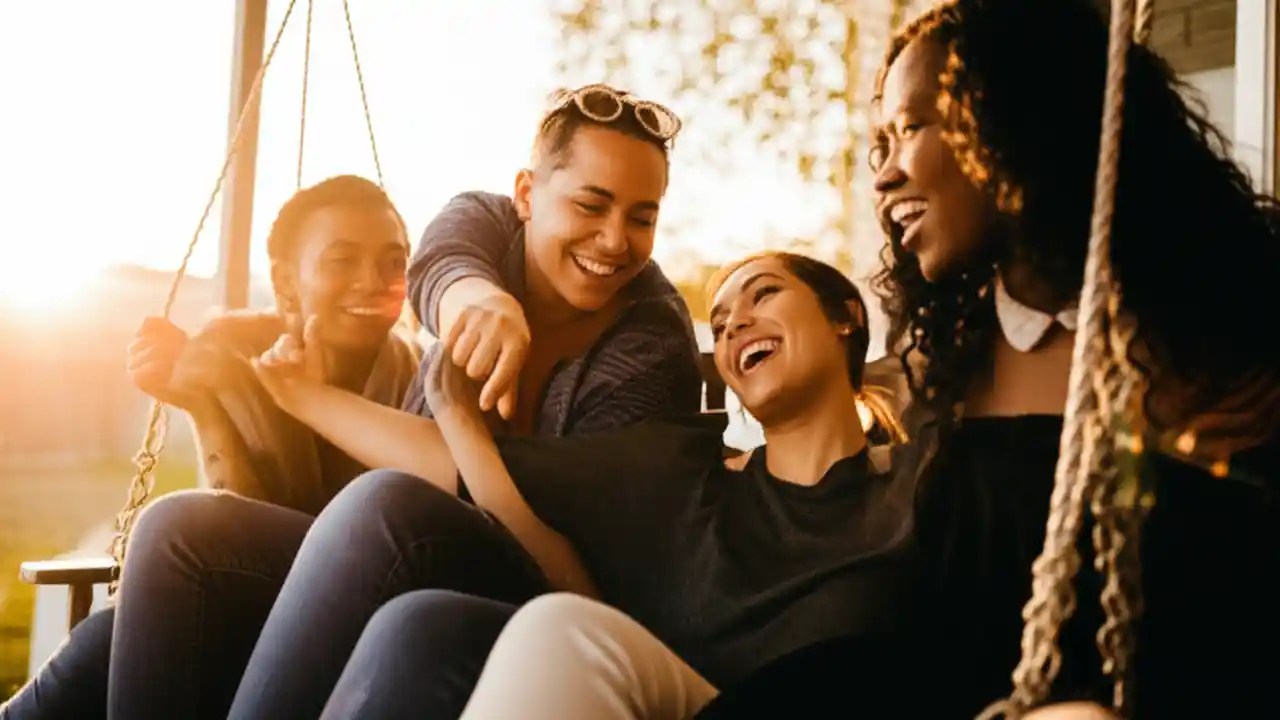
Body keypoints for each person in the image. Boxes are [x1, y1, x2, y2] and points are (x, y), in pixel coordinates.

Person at [698, 1, 1280, 718]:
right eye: (882, 143)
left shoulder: (1231, 328)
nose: (884, 176)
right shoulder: (949, 363)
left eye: (912, 128)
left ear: (1013, 118)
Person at [52, 83, 700, 720]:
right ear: (527, 195)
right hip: (402, 549)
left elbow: (544, 524)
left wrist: (433, 413)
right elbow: (441, 262)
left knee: (385, 504)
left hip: (543, 583)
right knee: (181, 533)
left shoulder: (647, 350)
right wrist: (481, 303)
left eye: (641, 218)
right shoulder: (487, 226)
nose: (615, 240)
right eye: (591, 206)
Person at [220, 251, 911, 720]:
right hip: (654, 704)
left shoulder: (919, 489)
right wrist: (305, 397)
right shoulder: (682, 470)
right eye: (723, 324)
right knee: (422, 624)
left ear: (844, 316)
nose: (737, 328)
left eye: (764, 295)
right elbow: (449, 469)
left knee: (561, 631)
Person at [0, 174, 418, 719]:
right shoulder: (237, 358)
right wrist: (208, 400)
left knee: (168, 548)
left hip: (357, 613)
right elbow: (239, 541)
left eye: (393, 262)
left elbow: (239, 549)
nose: (374, 281)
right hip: (258, 609)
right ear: (285, 281)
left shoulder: (415, 384)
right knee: (108, 636)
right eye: (342, 261)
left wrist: (248, 395)